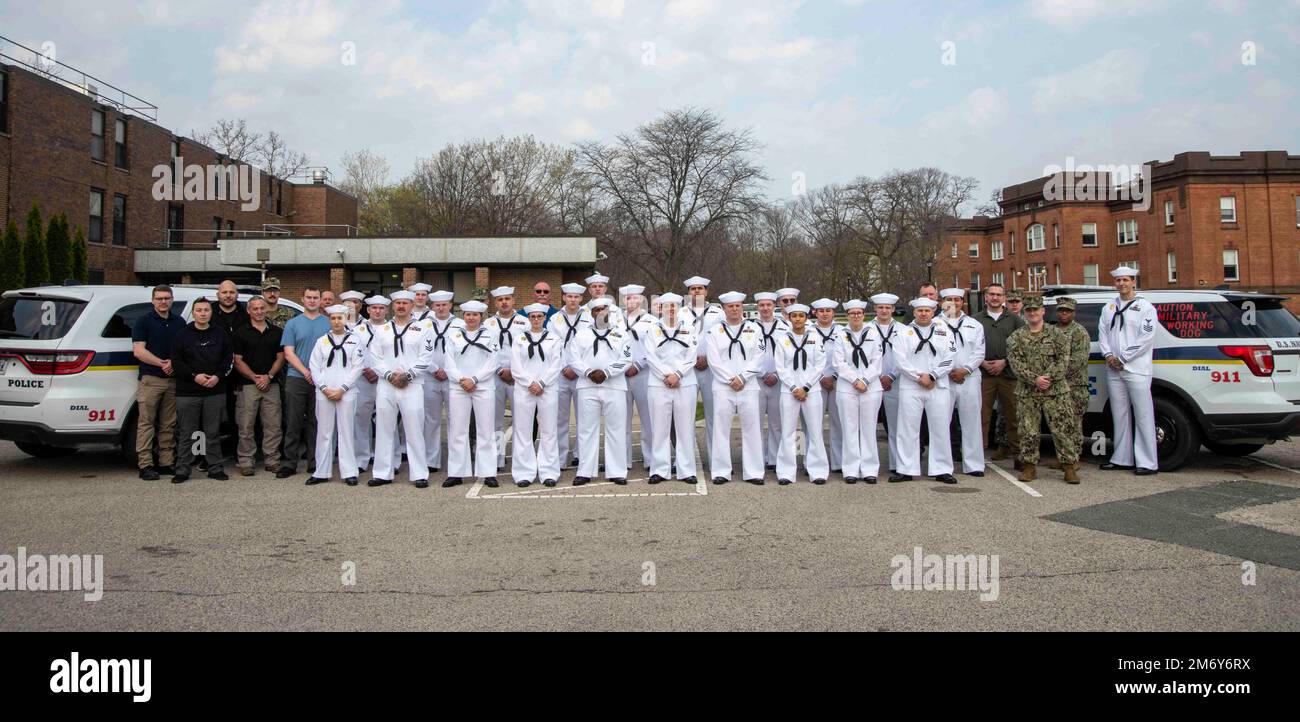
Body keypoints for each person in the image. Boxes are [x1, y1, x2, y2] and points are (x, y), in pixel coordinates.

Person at [1007, 295, 1081, 484]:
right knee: (1028, 431)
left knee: (1063, 429)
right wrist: (1035, 379)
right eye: (1029, 310)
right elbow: (1016, 364)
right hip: (1028, 391)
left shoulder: (1057, 335)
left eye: (1036, 310)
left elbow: (1063, 359)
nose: (1032, 313)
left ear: (1043, 311)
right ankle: (1029, 467)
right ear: (1025, 313)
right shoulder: (1016, 337)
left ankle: (1069, 466)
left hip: (1055, 391)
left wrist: (1047, 379)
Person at [368, 290, 433, 487]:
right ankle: (382, 473)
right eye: (398, 303)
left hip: (412, 385)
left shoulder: (423, 329)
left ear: (412, 305)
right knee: (385, 429)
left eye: (405, 303)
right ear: (393, 307)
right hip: (386, 385)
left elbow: (426, 357)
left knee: (414, 430)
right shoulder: (383, 330)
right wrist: (389, 375)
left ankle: (420, 474)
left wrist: (408, 375)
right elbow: (374, 357)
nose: (401, 306)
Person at [1098, 267, 1159, 475]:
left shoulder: (1145, 307)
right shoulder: (1108, 307)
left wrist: (1123, 358)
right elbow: (1103, 334)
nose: (1121, 283)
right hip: (1113, 368)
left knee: (1143, 415)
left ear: (1134, 282)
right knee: (1119, 414)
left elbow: (1146, 338)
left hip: (1136, 368)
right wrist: (1109, 356)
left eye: (1125, 280)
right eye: (1118, 280)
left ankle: (1147, 462)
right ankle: (1122, 458)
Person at [890, 297, 957, 484]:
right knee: (907, 428)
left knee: (940, 427)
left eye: (927, 310)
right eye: (920, 311)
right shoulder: (904, 333)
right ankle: (906, 469)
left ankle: (942, 469)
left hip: (938, 385)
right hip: (912, 386)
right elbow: (900, 359)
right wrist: (918, 376)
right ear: (915, 312)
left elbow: (950, 356)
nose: (924, 314)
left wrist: (933, 375)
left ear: (933, 312)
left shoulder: (944, 331)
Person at [169, 297, 234, 484]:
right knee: (186, 432)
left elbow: (228, 358)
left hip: (214, 390)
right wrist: (194, 376)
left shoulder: (220, 334)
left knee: (213, 432)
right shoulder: (182, 334)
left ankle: (215, 468)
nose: (203, 313)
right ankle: (182, 469)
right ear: (193, 313)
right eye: (199, 310)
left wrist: (217, 377)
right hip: (188, 391)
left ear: (211, 312)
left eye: (206, 310)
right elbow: (177, 362)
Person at [568, 298, 633, 485]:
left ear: (609, 312)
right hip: (587, 386)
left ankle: (617, 471)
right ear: (592, 313)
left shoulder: (621, 334)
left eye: (604, 309)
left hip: (615, 385)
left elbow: (627, 359)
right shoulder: (581, 335)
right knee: (587, 429)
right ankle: (585, 471)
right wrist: (589, 372)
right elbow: (574, 359)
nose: (600, 313)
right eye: (596, 310)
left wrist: (606, 372)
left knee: (616, 429)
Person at [706, 291, 766, 484]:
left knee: (751, 429)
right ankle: (721, 472)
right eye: (730, 306)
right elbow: (714, 360)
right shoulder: (715, 331)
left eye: (738, 306)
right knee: (721, 429)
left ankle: (754, 472)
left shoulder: (754, 329)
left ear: (743, 308)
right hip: (724, 387)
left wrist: (743, 377)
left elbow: (759, 356)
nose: (734, 309)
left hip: (748, 386)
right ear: (724, 309)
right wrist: (731, 378)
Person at [643, 292, 699, 484]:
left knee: (685, 429)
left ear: (679, 307)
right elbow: (650, 356)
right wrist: (667, 374)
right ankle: (659, 469)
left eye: (674, 306)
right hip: (659, 383)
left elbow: (691, 355)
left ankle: (686, 470)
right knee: (659, 428)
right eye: (667, 306)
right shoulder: (652, 329)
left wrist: (678, 374)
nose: (671, 309)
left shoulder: (689, 328)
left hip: (685, 383)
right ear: (661, 309)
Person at [306, 305, 365, 485]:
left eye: (340, 318)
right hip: (325, 393)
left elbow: (358, 366)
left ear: (346, 319)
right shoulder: (321, 341)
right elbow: (314, 367)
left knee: (346, 431)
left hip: (346, 393)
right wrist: (324, 388)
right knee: (324, 432)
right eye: (333, 318)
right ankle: (321, 471)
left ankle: (349, 472)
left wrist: (342, 388)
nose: (337, 322)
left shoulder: (355, 341)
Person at [445, 300, 501, 488]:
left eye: (475, 315)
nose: (471, 318)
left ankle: (488, 472)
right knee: (458, 430)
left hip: (482, 387)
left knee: (486, 430)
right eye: (468, 314)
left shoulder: (491, 335)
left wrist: (475, 379)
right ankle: (456, 472)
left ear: (481, 317)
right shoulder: (453, 336)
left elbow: (492, 362)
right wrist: (462, 379)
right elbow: (449, 363)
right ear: (463, 316)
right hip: (458, 387)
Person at [131, 284, 184, 480]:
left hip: (172, 380)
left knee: (168, 424)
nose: (163, 302)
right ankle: (145, 465)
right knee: (146, 424)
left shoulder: (179, 322)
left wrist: (173, 363)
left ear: (172, 300)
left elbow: (183, 349)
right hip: (151, 379)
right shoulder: (143, 321)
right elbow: (138, 351)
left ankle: (166, 462)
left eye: (166, 298)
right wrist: (161, 363)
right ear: (153, 300)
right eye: (159, 298)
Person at [773, 303, 830, 485]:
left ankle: (818, 470)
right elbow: (780, 367)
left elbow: (819, 365)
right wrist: (793, 387)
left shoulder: (815, 338)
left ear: (806, 318)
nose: (797, 319)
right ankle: (786, 472)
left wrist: (805, 387)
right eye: (794, 316)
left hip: (811, 391)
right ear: (789, 318)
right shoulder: (783, 340)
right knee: (788, 432)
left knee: (814, 431)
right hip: (789, 391)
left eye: (801, 316)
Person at [509, 303, 563, 487]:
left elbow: (557, 364)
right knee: (523, 430)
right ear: (529, 319)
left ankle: (549, 472)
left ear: (544, 318)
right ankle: (523, 473)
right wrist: (529, 382)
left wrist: (541, 382)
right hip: (525, 389)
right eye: (533, 317)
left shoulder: (554, 339)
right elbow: (515, 365)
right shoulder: (519, 339)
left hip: (547, 388)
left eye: (540, 317)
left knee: (548, 431)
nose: (536, 320)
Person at [278, 287, 329, 479]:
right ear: (303, 299)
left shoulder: (328, 323)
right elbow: (288, 353)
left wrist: (317, 374)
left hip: (322, 379)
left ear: (320, 301)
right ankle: (289, 463)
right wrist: (306, 371)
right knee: (293, 420)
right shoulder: (293, 324)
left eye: (316, 297)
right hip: (297, 377)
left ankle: (314, 462)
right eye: (309, 297)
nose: (312, 301)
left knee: (316, 422)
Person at [232, 295, 284, 476]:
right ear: (248, 311)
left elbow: (281, 357)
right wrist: (255, 378)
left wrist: (268, 376)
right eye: (255, 308)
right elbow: (237, 360)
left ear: (266, 309)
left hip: (271, 384)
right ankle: (246, 461)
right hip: (248, 385)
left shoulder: (276, 332)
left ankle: (272, 460)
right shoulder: (240, 333)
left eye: (262, 308)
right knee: (246, 425)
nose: (259, 311)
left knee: (273, 425)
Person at [834, 300, 885, 484]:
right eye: (852, 313)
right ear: (847, 315)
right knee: (849, 429)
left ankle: (870, 469)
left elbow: (877, 361)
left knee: (868, 428)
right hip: (847, 387)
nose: (856, 316)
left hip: (870, 387)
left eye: (859, 313)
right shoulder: (840, 335)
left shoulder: (873, 333)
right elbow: (839, 362)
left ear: (864, 315)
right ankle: (851, 469)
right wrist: (855, 379)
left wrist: (864, 380)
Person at [975, 283, 1026, 466]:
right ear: (986, 297)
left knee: (1014, 417)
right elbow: (969, 346)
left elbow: (1023, 346)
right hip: (983, 374)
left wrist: (1005, 361)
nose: (995, 298)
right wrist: (981, 362)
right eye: (992, 294)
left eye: (999, 294)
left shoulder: (1014, 320)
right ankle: (977, 458)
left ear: (1003, 298)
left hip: (1008, 375)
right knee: (982, 417)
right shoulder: (975, 320)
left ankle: (1019, 456)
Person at [940, 287, 987, 477]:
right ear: (942, 302)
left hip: (969, 378)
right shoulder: (935, 324)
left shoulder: (974, 325)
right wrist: (948, 370)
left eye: (957, 299)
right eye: (949, 299)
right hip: (943, 378)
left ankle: (974, 464)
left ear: (962, 302)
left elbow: (979, 352)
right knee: (941, 422)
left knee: (971, 421)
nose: (953, 303)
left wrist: (965, 370)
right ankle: (943, 465)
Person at [681, 276, 724, 461]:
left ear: (706, 291)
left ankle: (717, 460)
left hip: (711, 369)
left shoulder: (718, 313)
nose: (697, 291)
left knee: (714, 415)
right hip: (687, 370)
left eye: (700, 288)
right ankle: (685, 461)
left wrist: (709, 359)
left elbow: (724, 341)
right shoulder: (680, 313)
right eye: (693, 289)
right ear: (689, 293)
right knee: (685, 416)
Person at [485, 286, 528, 471]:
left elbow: (528, 351)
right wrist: (499, 371)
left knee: (521, 420)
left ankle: (520, 459)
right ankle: (496, 459)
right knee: (495, 420)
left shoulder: (524, 322)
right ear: (495, 302)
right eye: (500, 299)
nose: (504, 302)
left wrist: (515, 372)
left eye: (507, 299)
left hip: (518, 378)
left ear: (513, 300)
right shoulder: (487, 324)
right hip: (495, 376)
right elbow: (485, 352)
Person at [548, 283, 591, 468]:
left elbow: (591, 347)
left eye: (576, 297)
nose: (573, 300)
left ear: (581, 299)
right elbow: (551, 346)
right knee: (560, 418)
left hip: (582, 374)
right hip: (560, 373)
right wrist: (565, 366)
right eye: (569, 296)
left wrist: (577, 368)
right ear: (563, 298)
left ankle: (581, 455)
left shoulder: (589, 318)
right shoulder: (555, 319)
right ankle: (560, 457)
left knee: (584, 417)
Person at [422, 290, 464, 473]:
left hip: (453, 378)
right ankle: (431, 460)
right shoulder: (423, 324)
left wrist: (448, 370)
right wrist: (433, 369)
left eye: (444, 304)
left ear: (450, 305)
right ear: (432, 306)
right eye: (437, 305)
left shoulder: (460, 324)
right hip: (430, 376)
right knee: (431, 420)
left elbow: (463, 352)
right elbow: (419, 350)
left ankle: (456, 461)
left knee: (456, 420)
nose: (441, 308)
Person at [1051, 296, 1092, 471]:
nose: (1064, 313)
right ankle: (1063, 458)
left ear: (1073, 313)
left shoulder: (1079, 332)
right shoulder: (1052, 331)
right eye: (1061, 310)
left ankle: (1074, 459)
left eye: (1067, 310)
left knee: (1074, 423)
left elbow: (1078, 361)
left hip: (1074, 386)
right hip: (1056, 387)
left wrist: (1054, 375)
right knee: (1059, 424)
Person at [753, 292, 791, 470]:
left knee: (777, 422)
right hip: (756, 379)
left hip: (778, 379)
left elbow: (789, 354)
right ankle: (757, 459)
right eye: (762, 305)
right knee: (756, 422)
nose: (765, 308)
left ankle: (775, 458)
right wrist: (761, 373)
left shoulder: (785, 326)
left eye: (769, 305)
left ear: (774, 306)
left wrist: (776, 373)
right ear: (757, 307)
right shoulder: (749, 327)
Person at [350, 295, 388, 472]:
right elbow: (354, 353)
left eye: (381, 308)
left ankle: (387, 459)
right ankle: (361, 458)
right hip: (363, 378)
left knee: (386, 421)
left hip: (385, 379)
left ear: (386, 310)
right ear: (368, 310)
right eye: (374, 308)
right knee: (361, 419)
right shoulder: (357, 330)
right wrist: (366, 369)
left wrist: (380, 371)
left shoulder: (392, 329)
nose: (378, 311)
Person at [620, 285, 655, 473]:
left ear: (641, 300)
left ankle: (650, 458)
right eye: (626, 298)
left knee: (647, 418)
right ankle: (623, 460)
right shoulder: (615, 320)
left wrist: (638, 365)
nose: (630, 301)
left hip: (643, 373)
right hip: (620, 375)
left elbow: (653, 348)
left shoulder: (651, 321)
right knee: (621, 419)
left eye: (634, 298)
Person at [867, 293, 903, 473]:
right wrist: (877, 376)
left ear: (893, 309)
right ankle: (867, 465)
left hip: (895, 381)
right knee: (866, 425)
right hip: (872, 381)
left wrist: (891, 376)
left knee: (896, 425)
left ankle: (897, 464)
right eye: (880, 307)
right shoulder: (866, 328)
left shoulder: (903, 329)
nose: (884, 310)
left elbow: (905, 357)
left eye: (888, 308)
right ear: (875, 308)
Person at [810, 298, 843, 473]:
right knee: (814, 424)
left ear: (833, 313)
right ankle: (814, 463)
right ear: (815, 312)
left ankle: (838, 462)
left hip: (838, 381)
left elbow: (845, 357)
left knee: (838, 423)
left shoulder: (842, 331)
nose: (824, 314)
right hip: (815, 382)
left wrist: (834, 376)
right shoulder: (807, 330)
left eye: (828, 311)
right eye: (821, 310)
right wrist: (821, 376)